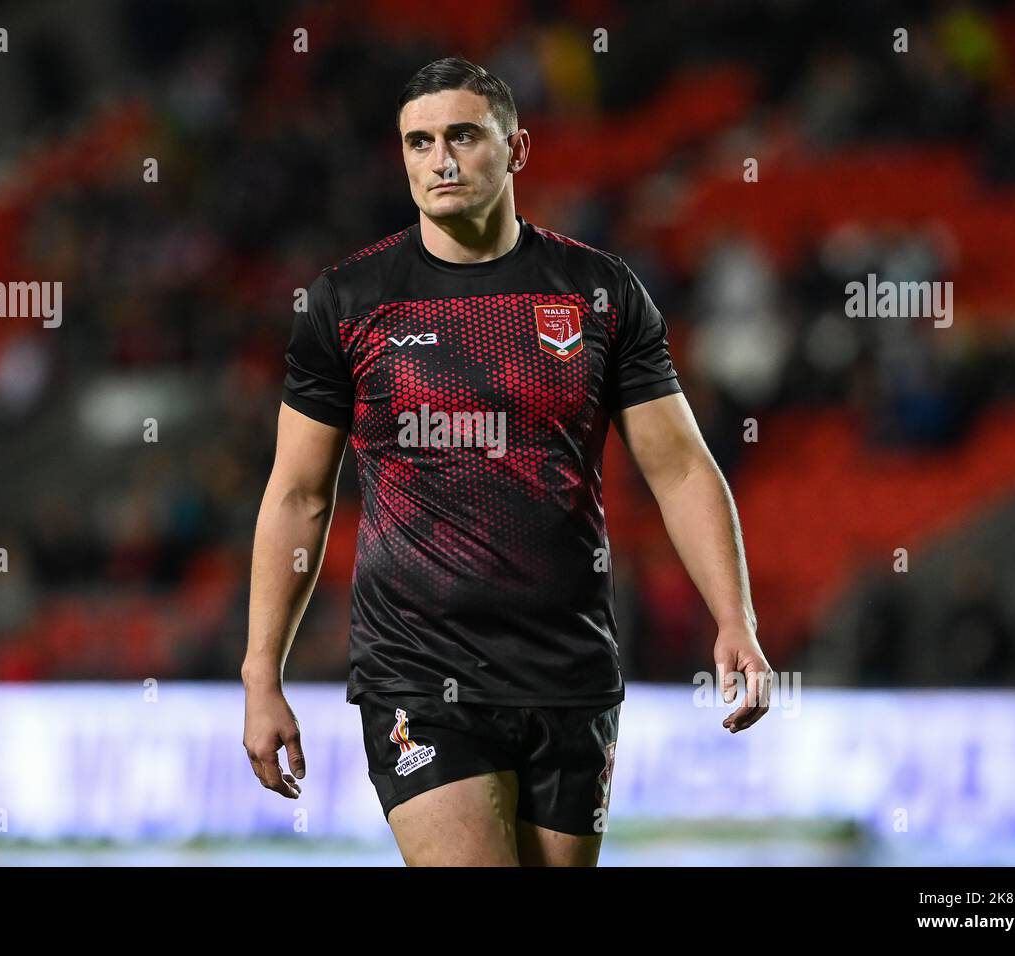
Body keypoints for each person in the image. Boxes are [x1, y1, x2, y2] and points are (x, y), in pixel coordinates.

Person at [242, 56, 771, 866]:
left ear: (517, 149)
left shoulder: (598, 293)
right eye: (418, 143)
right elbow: (298, 497)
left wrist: (735, 616)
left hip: (568, 668)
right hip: (417, 668)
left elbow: (681, 469)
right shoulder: (348, 305)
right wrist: (260, 673)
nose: (439, 160)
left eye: (462, 136)